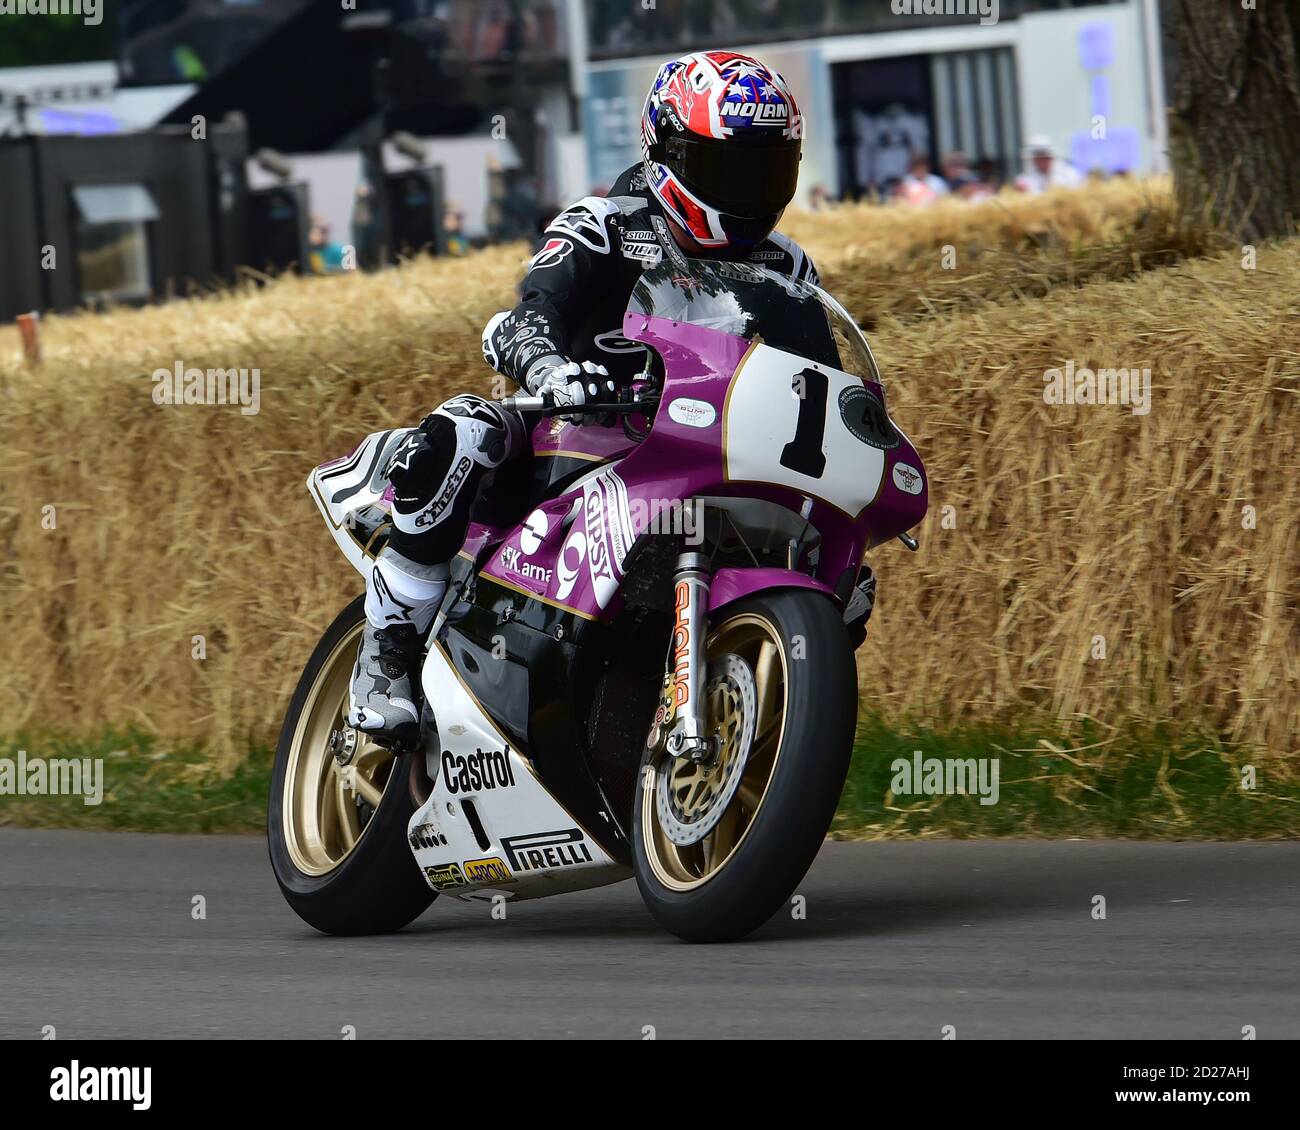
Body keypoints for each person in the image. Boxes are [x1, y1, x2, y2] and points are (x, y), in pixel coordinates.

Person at [347, 49, 821, 740]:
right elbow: (530, 313)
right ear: (667, 153)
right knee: (467, 427)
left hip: (704, 457)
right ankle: (385, 655)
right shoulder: (603, 223)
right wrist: (546, 367)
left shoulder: (788, 266)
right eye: (729, 169)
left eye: (767, 169)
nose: (750, 191)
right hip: (572, 441)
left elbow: (816, 378)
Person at [1014, 135, 1083, 194]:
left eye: (1045, 158)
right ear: (1033, 160)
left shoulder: (1069, 174)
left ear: (1051, 158)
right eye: (1038, 159)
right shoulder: (1026, 179)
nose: (1042, 162)